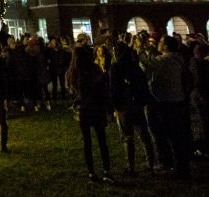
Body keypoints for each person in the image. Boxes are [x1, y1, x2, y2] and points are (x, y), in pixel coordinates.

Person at [146, 36, 192, 177]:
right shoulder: (179, 59)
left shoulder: (164, 60)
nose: (158, 45)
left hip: (165, 102)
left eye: (160, 43)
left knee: (168, 134)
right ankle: (182, 163)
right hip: (178, 99)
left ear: (165, 46)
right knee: (178, 134)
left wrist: (143, 49)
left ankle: (173, 165)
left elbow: (145, 64)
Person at [109, 38, 156, 175]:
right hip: (137, 104)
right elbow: (143, 84)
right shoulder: (134, 65)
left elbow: (114, 89)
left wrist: (115, 107)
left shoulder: (115, 67)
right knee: (144, 135)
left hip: (124, 106)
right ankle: (151, 164)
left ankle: (131, 167)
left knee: (127, 136)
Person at [67, 43, 112, 182]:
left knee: (87, 142)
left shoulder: (71, 73)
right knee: (102, 140)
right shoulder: (95, 69)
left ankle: (91, 172)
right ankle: (106, 171)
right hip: (96, 108)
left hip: (83, 110)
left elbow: (70, 91)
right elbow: (103, 88)